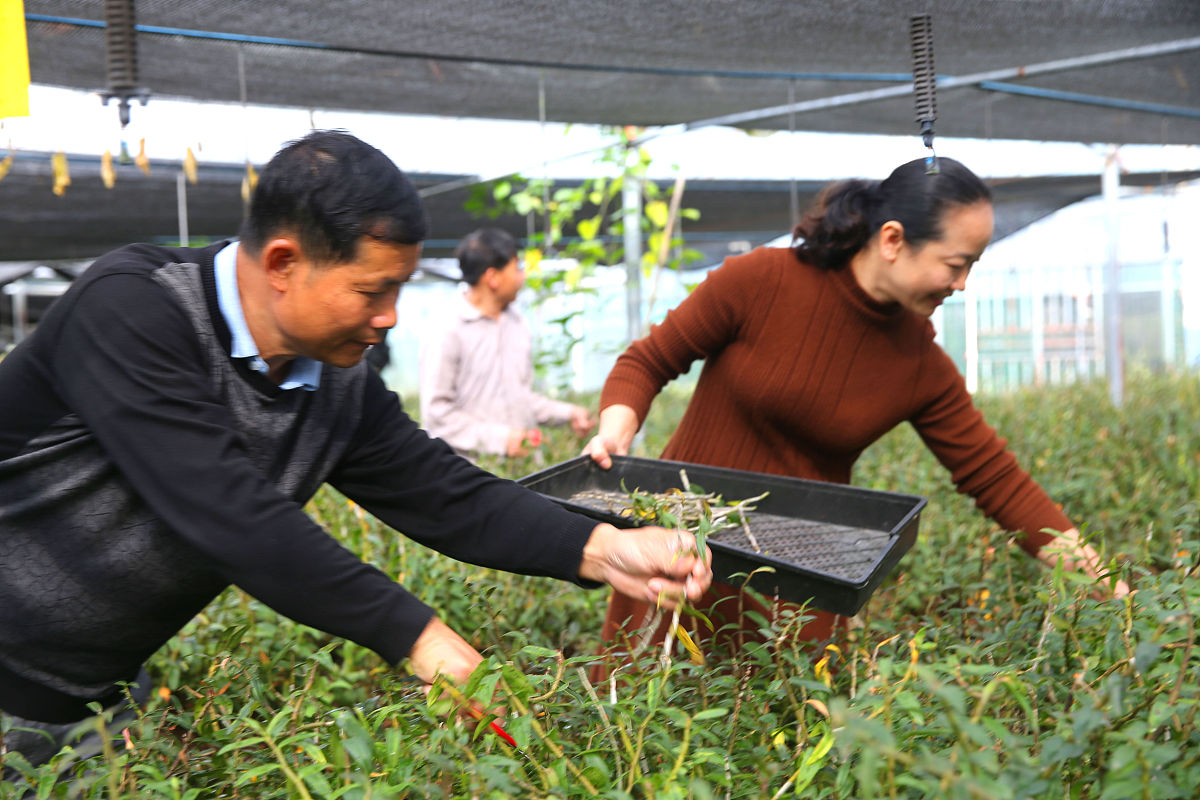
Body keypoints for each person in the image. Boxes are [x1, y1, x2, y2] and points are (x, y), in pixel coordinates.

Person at [0, 131, 710, 771]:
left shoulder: (336, 380)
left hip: (98, 696)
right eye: (375, 290)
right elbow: (230, 516)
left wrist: (601, 547)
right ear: (283, 261)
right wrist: (418, 636)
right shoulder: (134, 310)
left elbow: (444, 494)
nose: (390, 318)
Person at [584, 155, 1129, 662]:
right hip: (681, 556)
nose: (962, 285)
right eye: (956, 264)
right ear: (892, 239)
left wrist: (1109, 587)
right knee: (642, 723)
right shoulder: (760, 282)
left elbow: (998, 481)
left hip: (797, 585)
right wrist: (615, 430)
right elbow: (648, 361)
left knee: (783, 734)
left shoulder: (919, 364)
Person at [420, 227, 595, 458]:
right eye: (516, 268)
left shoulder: (517, 323)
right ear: (493, 277)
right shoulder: (447, 329)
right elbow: (437, 414)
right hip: (471, 471)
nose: (522, 277)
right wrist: (501, 440)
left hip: (520, 469)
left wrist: (568, 413)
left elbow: (521, 396)